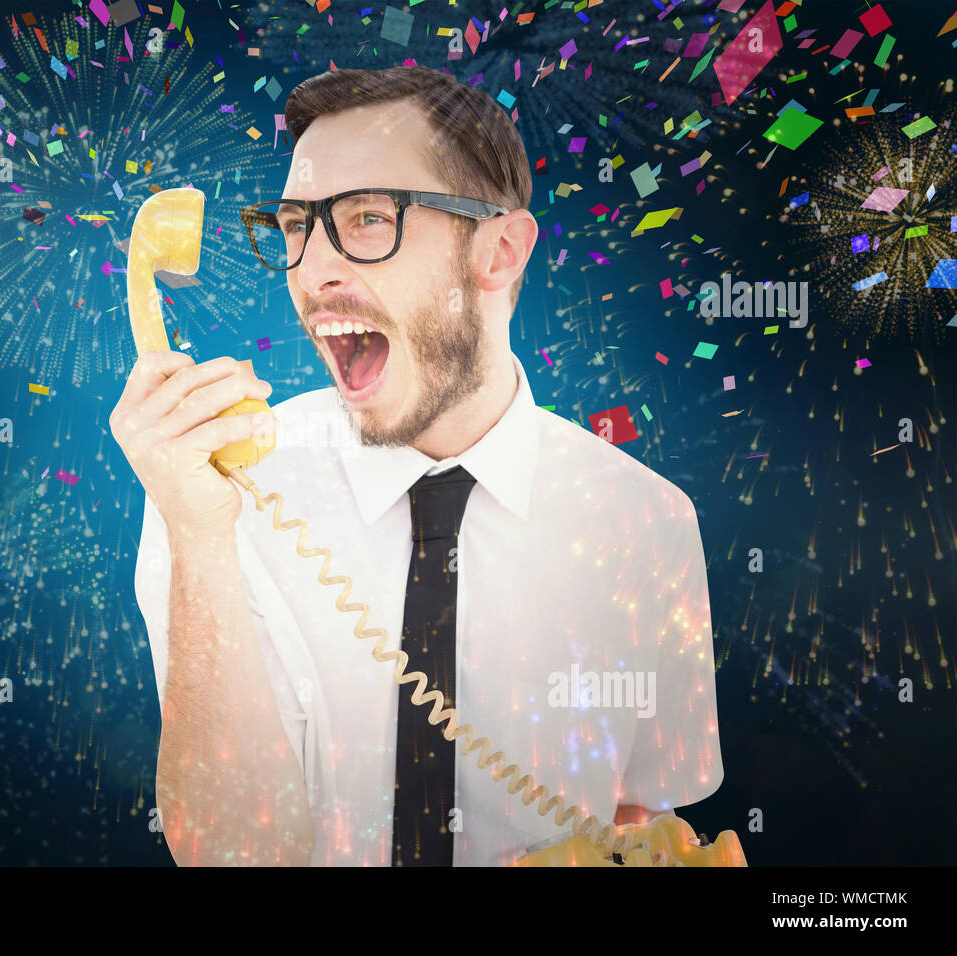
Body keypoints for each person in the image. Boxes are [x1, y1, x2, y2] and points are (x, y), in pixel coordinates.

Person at [111, 65, 723, 867]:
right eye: (297, 227)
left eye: (368, 218)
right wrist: (197, 534)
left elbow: (642, 824)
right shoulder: (215, 491)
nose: (312, 272)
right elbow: (231, 854)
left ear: (499, 250)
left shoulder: (649, 522)